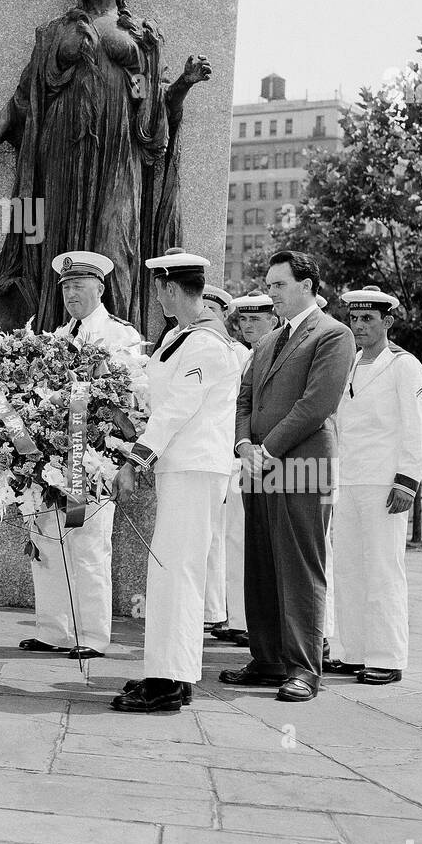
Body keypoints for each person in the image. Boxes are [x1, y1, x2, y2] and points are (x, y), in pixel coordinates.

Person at [0, 0, 211, 334]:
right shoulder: (57, 31)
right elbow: (24, 100)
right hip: (64, 150)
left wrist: (185, 85)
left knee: (117, 247)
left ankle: (119, 354)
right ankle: (54, 348)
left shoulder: (141, 35)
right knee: (60, 251)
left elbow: (155, 101)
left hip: (120, 152)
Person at [110, 250, 241, 713]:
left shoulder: (206, 343)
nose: (158, 298)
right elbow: (156, 400)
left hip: (194, 467)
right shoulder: (181, 338)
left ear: (169, 288)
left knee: (176, 574)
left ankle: (168, 681)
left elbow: (178, 408)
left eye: (159, 290)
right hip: (180, 467)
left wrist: (136, 458)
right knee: (172, 573)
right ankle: (171, 673)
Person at [221, 250, 355, 702]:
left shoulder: (334, 335)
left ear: (307, 286)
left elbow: (316, 406)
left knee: (300, 566)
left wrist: (265, 449)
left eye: (279, 284)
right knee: (260, 564)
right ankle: (268, 659)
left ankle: (303, 668)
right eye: (270, 284)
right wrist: (244, 446)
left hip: (302, 464)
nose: (270, 292)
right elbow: (243, 401)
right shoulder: (265, 343)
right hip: (259, 466)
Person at [21, 252, 143, 660]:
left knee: (89, 546)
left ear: (100, 289)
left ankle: (91, 635)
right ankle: (53, 630)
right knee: (48, 541)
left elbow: (128, 396)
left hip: (90, 456)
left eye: (79, 286)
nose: (71, 294)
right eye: (66, 287)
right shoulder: (57, 334)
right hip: (49, 457)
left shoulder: (118, 334)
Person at [328, 287, 422, 685]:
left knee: (384, 569)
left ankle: (386, 657)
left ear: (387, 322)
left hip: (385, 482)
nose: (359, 326)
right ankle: (353, 652)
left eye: (368, 319)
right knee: (349, 568)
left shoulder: (405, 366)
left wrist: (407, 481)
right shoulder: (351, 363)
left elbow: (418, 427)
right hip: (350, 479)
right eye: (354, 319)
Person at [212, 292, 278, 648]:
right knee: (237, 539)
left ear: (274, 320)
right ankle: (240, 619)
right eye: (245, 320)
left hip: (276, 460)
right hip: (241, 457)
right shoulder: (244, 355)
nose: (249, 326)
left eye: (258, 319)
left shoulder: (269, 353)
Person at [199, 284, 248, 634]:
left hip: (230, 455)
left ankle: (223, 613)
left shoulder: (239, 353)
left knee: (226, 538)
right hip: (202, 454)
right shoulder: (182, 343)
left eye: (213, 312)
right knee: (208, 538)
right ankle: (210, 610)